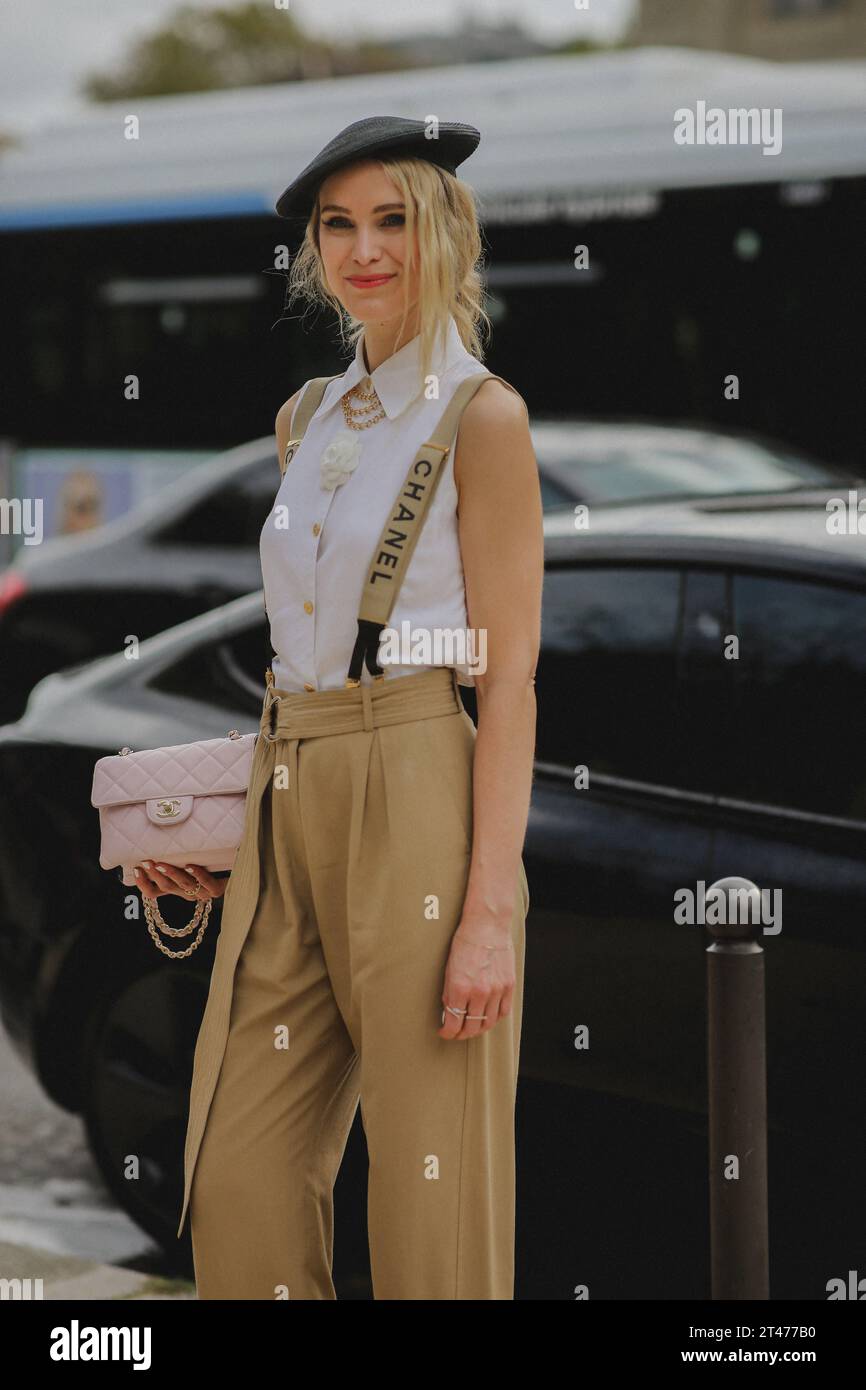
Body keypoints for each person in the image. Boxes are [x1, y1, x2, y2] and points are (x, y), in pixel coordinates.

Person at [133, 116, 542, 1300]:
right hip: (289, 779)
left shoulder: (482, 417)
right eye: (338, 226)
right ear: (314, 251)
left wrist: (485, 913)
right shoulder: (303, 416)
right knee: (237, 1178)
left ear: (442, 231)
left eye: (391, 221)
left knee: (431, 1205)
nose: (364, 250)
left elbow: (505, 674)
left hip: (420, 782)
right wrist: (226, 830)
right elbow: (302, 650)